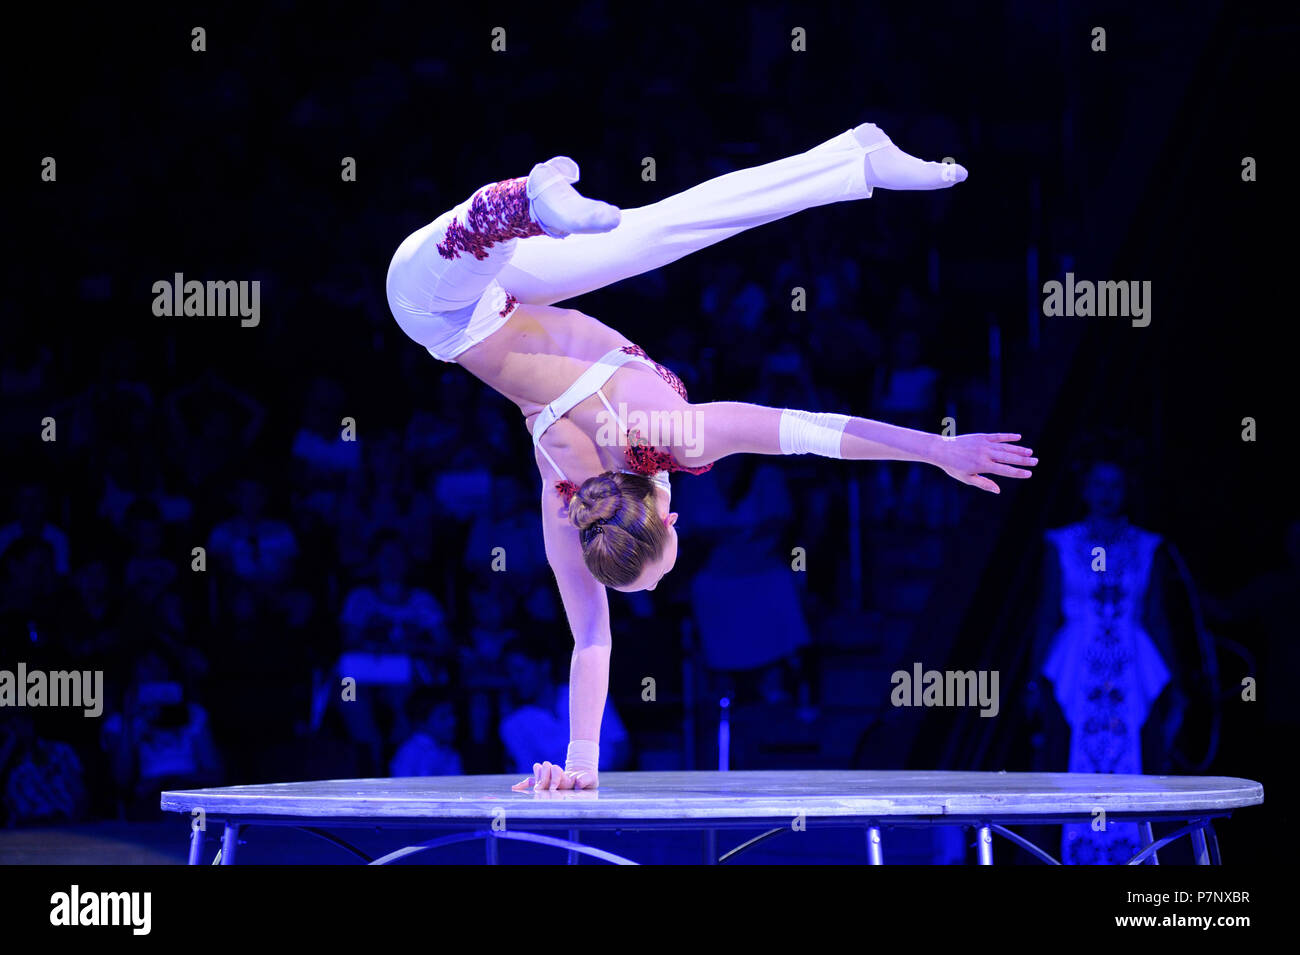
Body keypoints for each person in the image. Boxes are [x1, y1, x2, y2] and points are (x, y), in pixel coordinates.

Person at [386, 121, 1037, 790]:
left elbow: (812, 430)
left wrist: (937, 450)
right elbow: (592, 640)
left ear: (669, 520)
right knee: (655, 232)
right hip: (506, 295)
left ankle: (531, 200)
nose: (658, 583)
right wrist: (580, 762)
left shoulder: (669, 439)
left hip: (435, 307)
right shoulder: (572, 504)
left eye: (658, 570)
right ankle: (856, 160)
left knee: (477, 249)